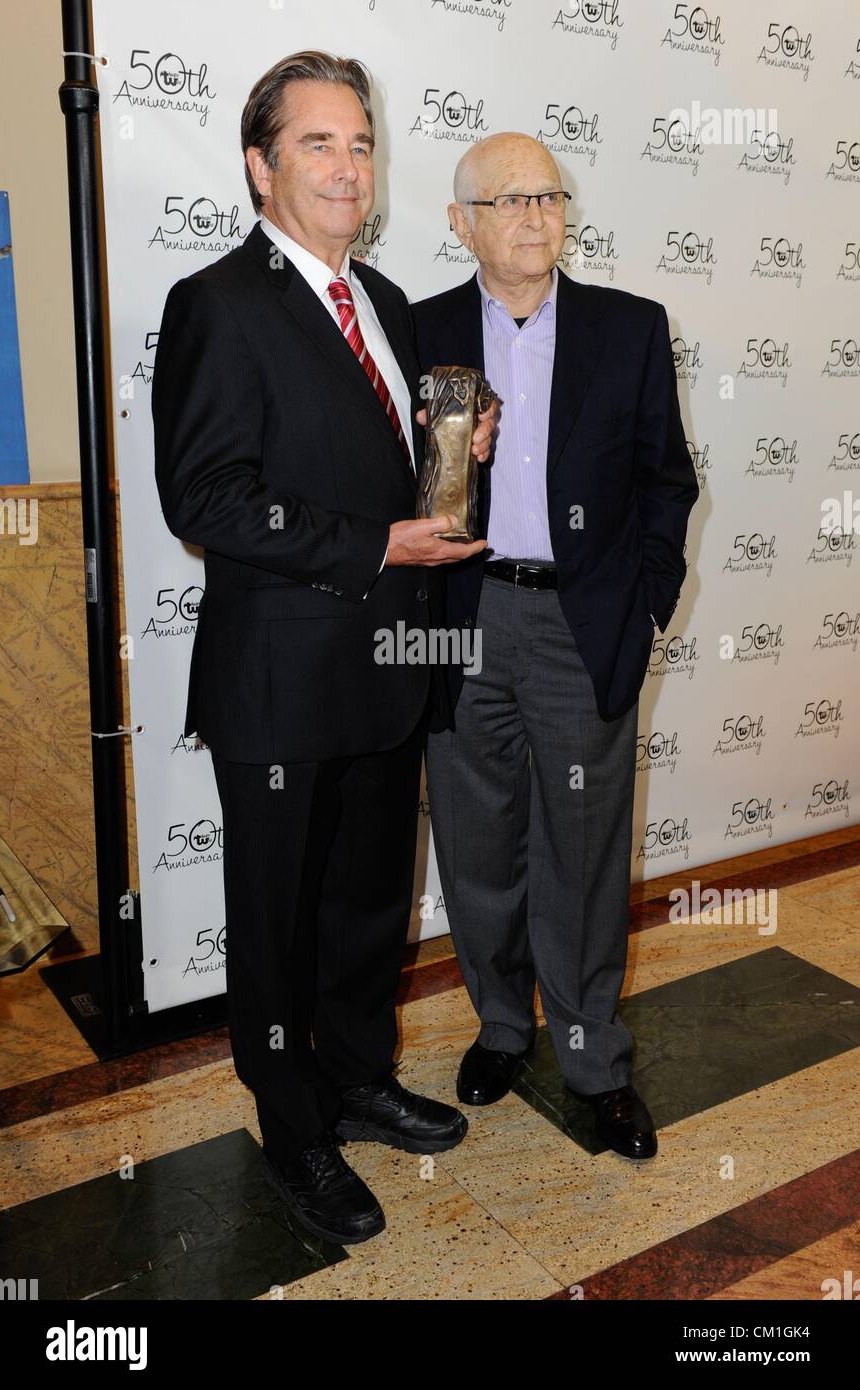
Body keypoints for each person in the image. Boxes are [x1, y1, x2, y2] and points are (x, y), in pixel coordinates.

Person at [152, 51, 495, 1246]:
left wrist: (458, 458)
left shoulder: (388, 303)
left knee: (361, 908)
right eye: (318, 144)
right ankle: (292, 1124)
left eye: (359, 143)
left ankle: (354, 1076)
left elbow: (386, 473)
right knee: (278, 917)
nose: (348, 165)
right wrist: (377, 542)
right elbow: (206, 498)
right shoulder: (217, 302)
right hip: (280, 686)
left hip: (385, 670)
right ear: (261, 164)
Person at [413, 132, 699, 1160]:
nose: (536, 214)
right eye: (509, 199)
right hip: (467, 615)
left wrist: (645, 600)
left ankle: (591, 1056)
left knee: (582, 847)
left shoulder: (628, 328)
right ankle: (501, 1024)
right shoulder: (426, 329)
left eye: (549, 195)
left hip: (584, 622)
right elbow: (400, 486)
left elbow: (668, 480)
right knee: (480, 837)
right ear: (463, 223)